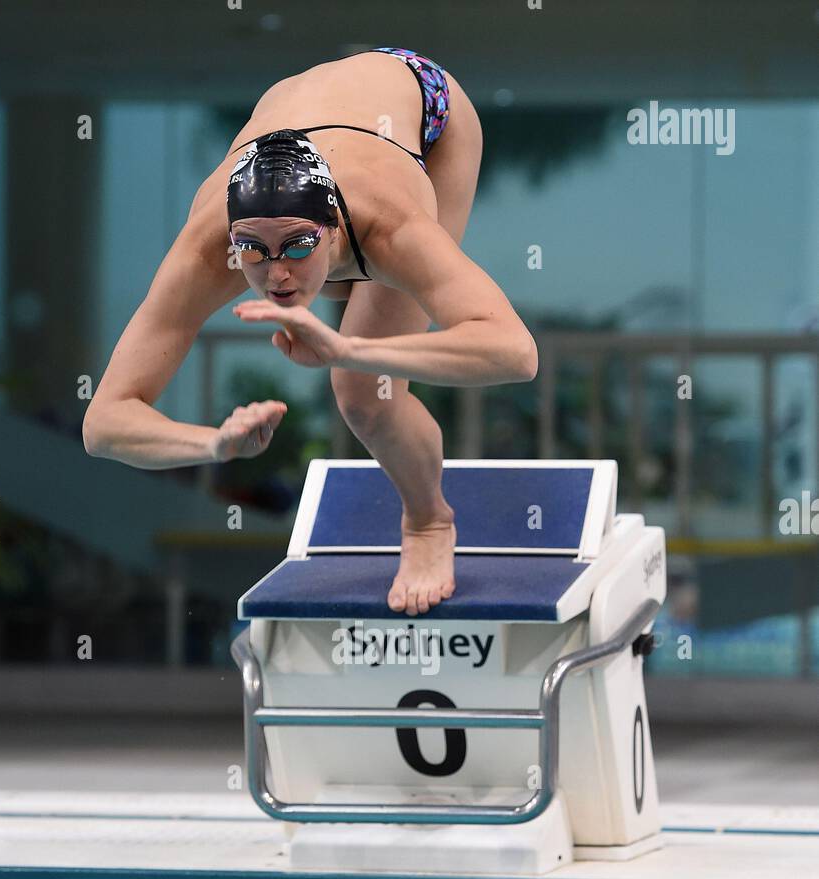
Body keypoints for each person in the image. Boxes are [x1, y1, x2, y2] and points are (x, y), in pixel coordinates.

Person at [83, 47, 538, 615]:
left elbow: (515, 351)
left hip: (424, 109)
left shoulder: (389, 225)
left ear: (333, 230)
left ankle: (428, 522)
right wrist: (210, 445)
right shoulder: (208, 246)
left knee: (363, 395)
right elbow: (102, 422)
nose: (275, 273)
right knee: (350, 347)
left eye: (297, 245)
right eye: (253, 250)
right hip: (302, 108)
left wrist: (350, 349)